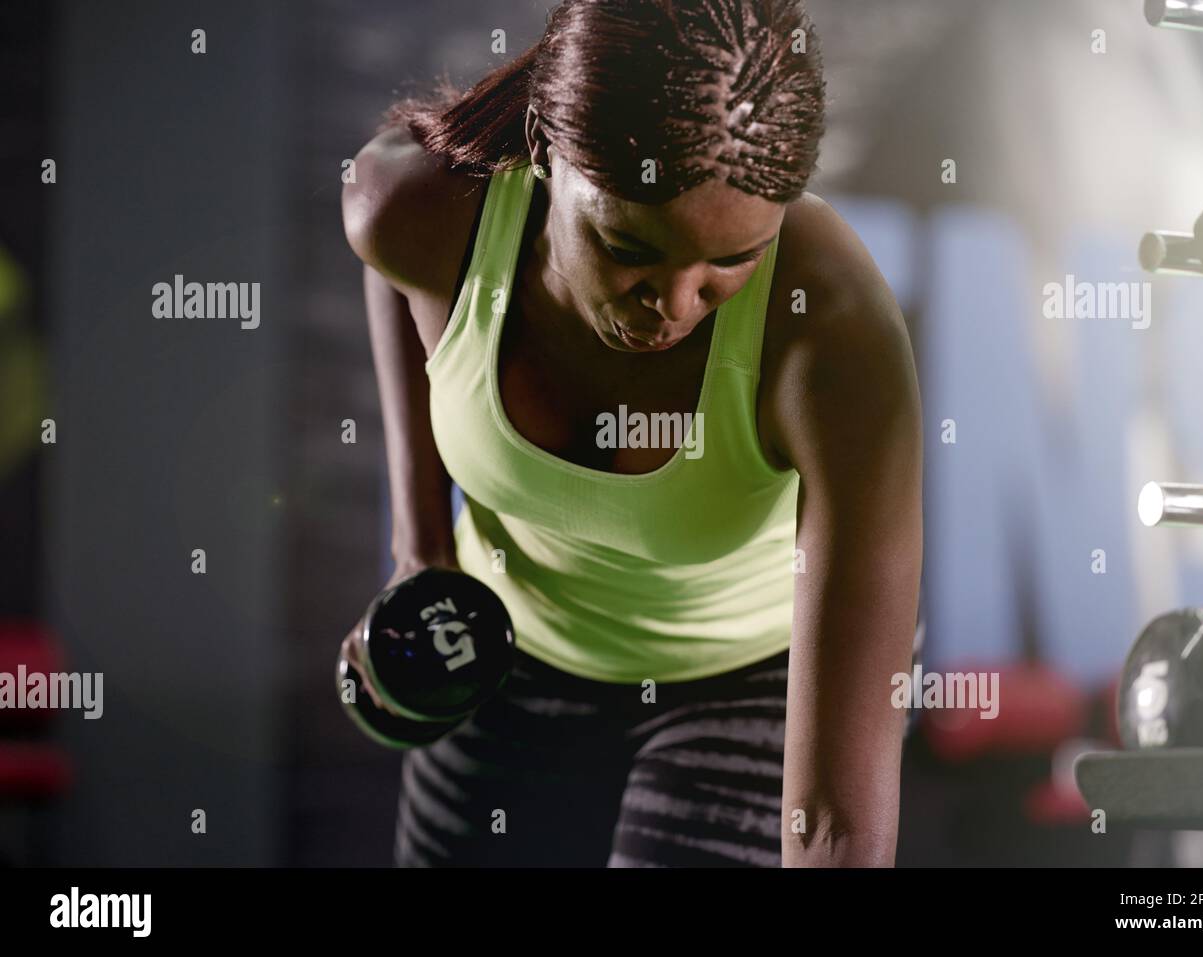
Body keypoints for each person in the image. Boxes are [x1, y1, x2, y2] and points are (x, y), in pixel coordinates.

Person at [339, 0, 922, 867]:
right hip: (512, 648)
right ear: (544, 148)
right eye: (629, 248)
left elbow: (836, 824)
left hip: (756, 676)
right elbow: (395, 271)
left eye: (731, 261)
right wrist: (421, 549)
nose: (674, 306)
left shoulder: (833, 334)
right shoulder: (415, 209)